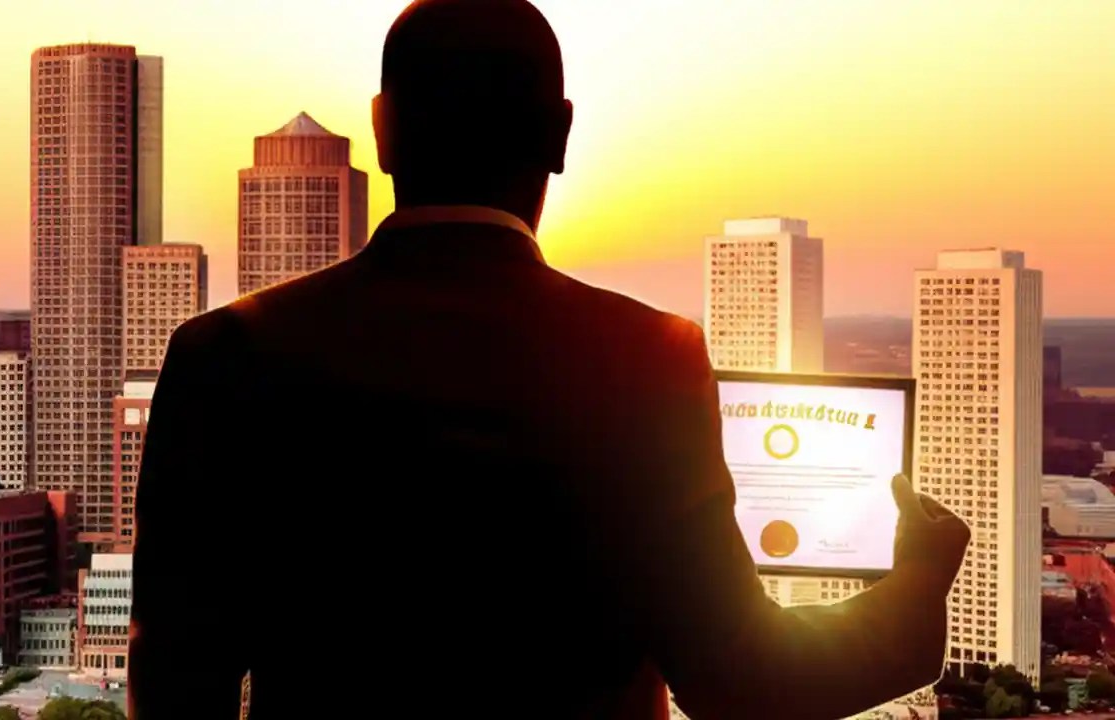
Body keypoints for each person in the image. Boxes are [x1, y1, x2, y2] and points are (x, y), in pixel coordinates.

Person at [127, 1, 972, 718]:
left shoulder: (224, 354)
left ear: (382, 132)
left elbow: (175, 684)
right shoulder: (652, 358)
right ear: (561, 135)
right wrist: (914, 592)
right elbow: (739, 674)